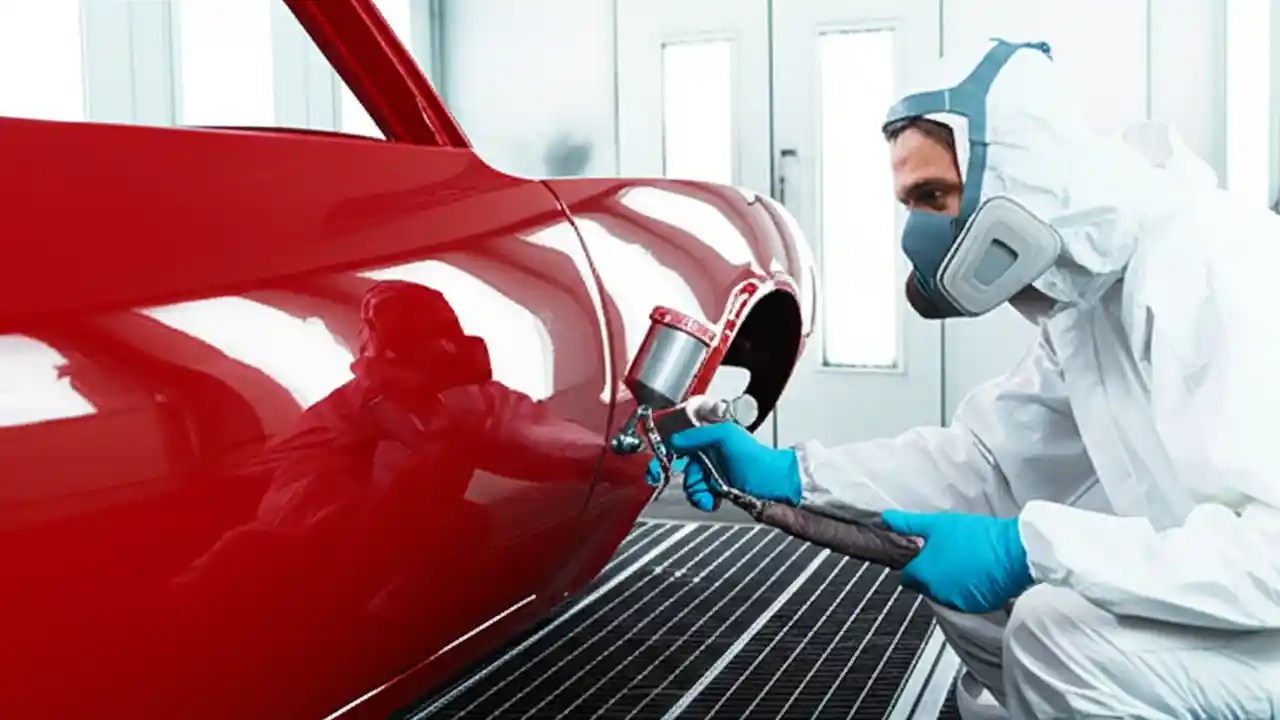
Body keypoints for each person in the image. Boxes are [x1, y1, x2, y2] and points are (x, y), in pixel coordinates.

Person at [656, 38, 1280, 718]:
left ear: (1021, 174)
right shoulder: (1091, 300)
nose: (920, 234)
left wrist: (1031, 548)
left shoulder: (1214, 266)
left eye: (933, 196)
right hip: (1242, 609)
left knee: (1053, 632)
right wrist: (790, 476)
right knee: (971, 591)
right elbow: (986, 463)